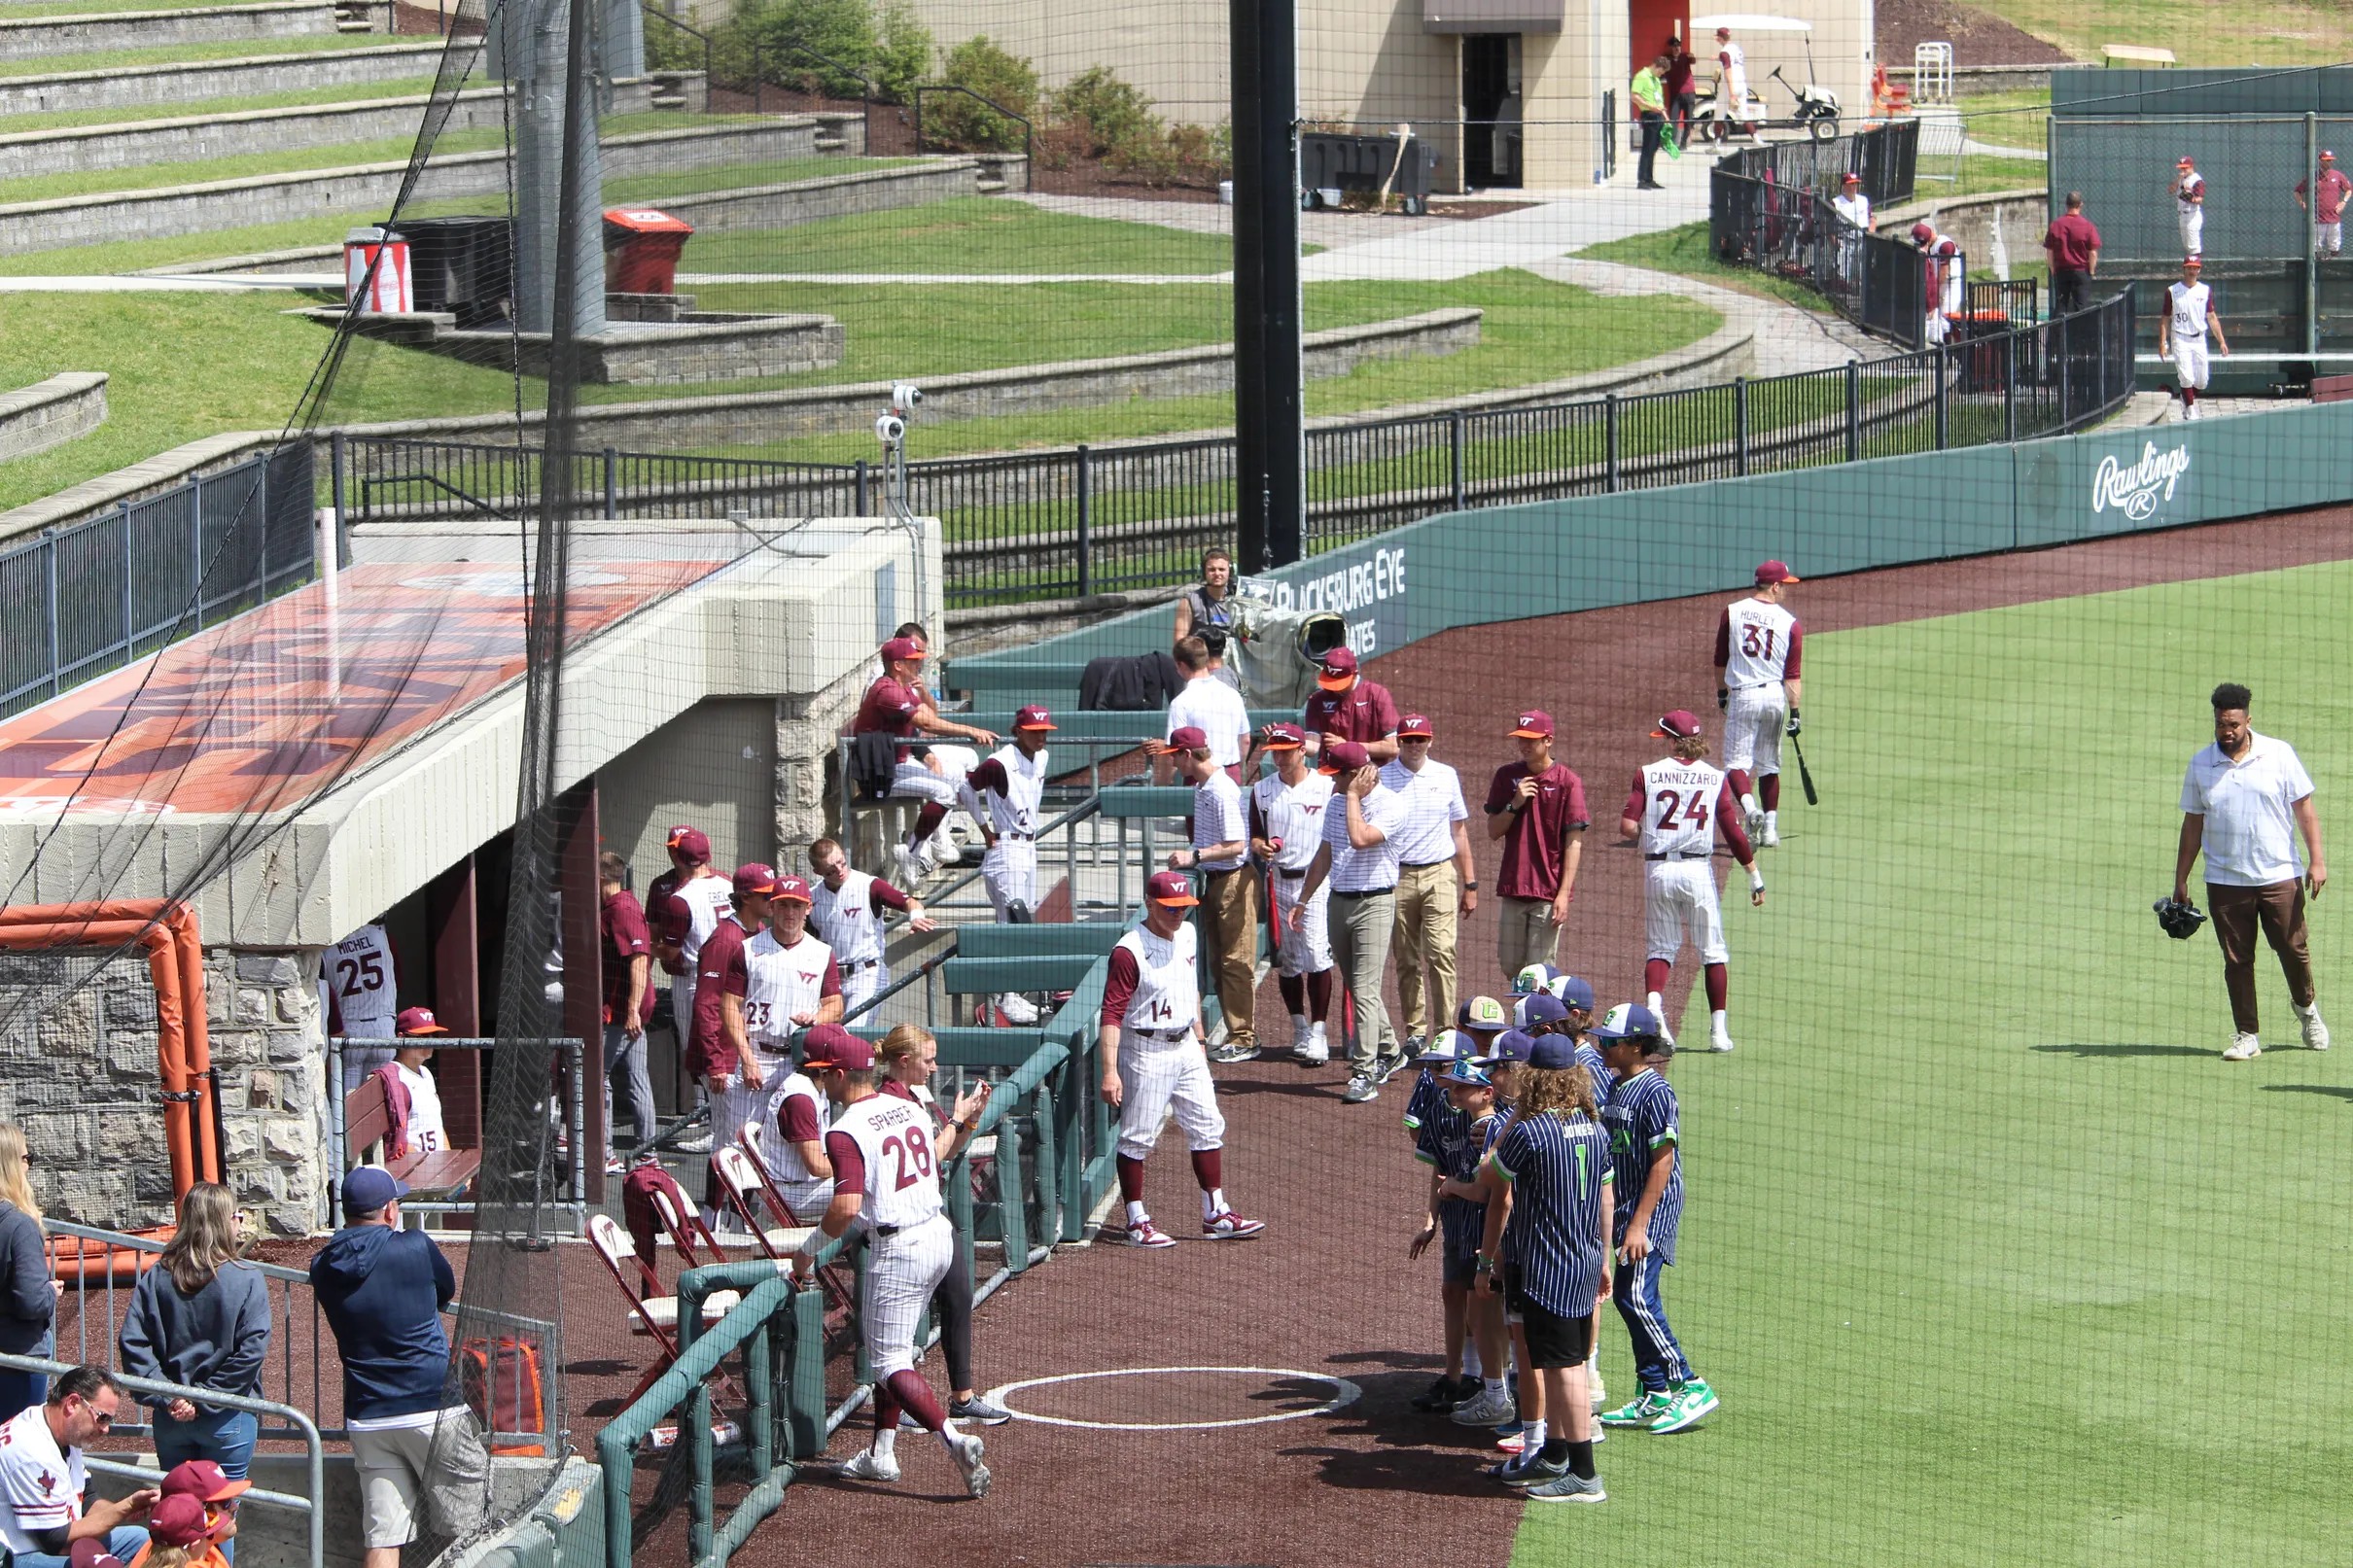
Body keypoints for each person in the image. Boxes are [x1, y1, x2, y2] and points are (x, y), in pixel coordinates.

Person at [791, 1028, 992, 1496]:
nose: (819, 1083)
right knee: (895, 1350)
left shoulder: (846, 1129)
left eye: (822, 1075)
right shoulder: (908, 1104)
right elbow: (937, 1157)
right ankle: (882, 1453)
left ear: (840, 1074)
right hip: (938, 1237)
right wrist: (961, 1123)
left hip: (900, 1249)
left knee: (887, 1362)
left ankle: (954, 1438)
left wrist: (804, 1256)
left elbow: (845, 1208)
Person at [308, 1168, 488, 1568]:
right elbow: (446, 1289)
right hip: (433, 1406)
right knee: (469, 1531)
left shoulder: (322, 1265)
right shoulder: (414, 1245)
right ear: (390, 1210)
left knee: (383, 1536)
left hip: (369, 1415)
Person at [1470, 1033, 1613, 1502]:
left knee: (1563, 1370)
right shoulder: (1595, 1128)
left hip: (1546, 1269)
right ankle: (1554, 1453)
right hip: (1584, 1261)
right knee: (1564, 1364)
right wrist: (1605, 1259)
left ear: (1532, 1078)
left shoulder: (1531, 1132)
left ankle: (1585, 1476)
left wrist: (1512, 1118)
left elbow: (1487, 1177)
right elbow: (1606, 1202)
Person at [1098, 871, 1266, 1247]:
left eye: (1183, 907)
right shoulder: (1129, 951)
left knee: (1208, 1125)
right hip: (1145, 1048)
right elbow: (1110, 1014)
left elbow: (1191, 986)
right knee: (1137, 1138)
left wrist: (1201, 1039)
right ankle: (1136, 1221)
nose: (1177, 915)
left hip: (1187, 1044)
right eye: (1170, 908)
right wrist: (1110, 1072)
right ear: (1150, 904)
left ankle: (1216, 1213)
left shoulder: (1187, 934)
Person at [2175, 681, 2329, 1062]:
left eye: (2233, 725)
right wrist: (2181, 879)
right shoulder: (2201, 764)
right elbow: (2192, 825)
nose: (2227, 732)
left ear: (2248, 720)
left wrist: (2317, 860)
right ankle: (2248, 1035)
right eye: (2220, 725)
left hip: (2279, 875)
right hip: (2226, 881)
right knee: (2237, 961)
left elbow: (2304, 808)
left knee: (2293, 950)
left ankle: (2306, 1009)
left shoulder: (2278, 754)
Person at [873, 1026, 1011, 1426]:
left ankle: (962, 1398)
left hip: (930, 1222)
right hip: (899, 1228)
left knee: (958, 1296)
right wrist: (958, 1118)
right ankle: (898, 1412)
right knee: (897, 1333)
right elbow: (930, 1157)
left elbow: (945, 1151)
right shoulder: (887, 1102)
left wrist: (969, 1122)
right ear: (904, 1062)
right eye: (928, 1060)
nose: (935, 1067)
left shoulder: (918, 1096)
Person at [1591, 1005, 1717, 1437]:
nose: (1602, 1045)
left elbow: (1663, 1162)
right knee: (1626, 1298)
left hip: (1652, 1208)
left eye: (1611, 1041)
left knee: (1639, 1299)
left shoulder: (1655, 1091)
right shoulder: (1613, 1084)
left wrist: (1640, 1224)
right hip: (1625, 1207)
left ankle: (1689, 1383)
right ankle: (1656, 1390)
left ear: (1636, 1045)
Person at [118, 1183, 267, 1541]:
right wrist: (203, 1399)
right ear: (223, 1222)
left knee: (179, 1518)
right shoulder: (246, 1278)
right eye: (237, 1215)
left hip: (171, 1419)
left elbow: (133, 1344)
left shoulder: (157, 1276)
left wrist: (171, 1396)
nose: (241, 1222)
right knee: (218, 1519)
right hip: (227, 1417)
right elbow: (251, 1352)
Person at [1622, 712, 1763, 1054]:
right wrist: (1754, 875)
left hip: (1658, 872)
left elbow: (1627, 826)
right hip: (1698, 871)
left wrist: (1648, 839)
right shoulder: (1715, 778)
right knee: (1712, 952)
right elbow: (1732, 831)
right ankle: (1718, 1034)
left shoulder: (1648, 773)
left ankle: (1655, 1006)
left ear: (1672, 741)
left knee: (1661, 948)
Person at [720, 872, 842, 1229]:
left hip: (801, 1062)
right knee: (742, 1149)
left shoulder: (821, 953)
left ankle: (796, 1225)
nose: (790, 912)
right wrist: (745, 1058)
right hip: (758, 1055)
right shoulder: (748, 948)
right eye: (783, 905)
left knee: (804, 1143)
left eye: (797, 906)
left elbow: (835, 1002)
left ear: (808, 909)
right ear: (771, 907)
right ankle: (737, 1227)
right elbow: (730, 1005)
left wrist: (817, 1017)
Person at [1296, 741, 1410, 1103]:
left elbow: (1360, 839)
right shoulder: (1336, 801)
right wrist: (1303, 899)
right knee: (1359, 986)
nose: (1332, 784)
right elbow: (1326, 854)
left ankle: (1364, 1071)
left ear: (1357, 775)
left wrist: (1353, 798)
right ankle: (1391, 1049)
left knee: (1363, 988)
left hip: (1375, 903)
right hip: (1338, 901)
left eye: (1337, 777)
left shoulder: (1391, 804)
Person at [1408, 1046, 1509, 1423]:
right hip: (1458, 1224)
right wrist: (1431, 1219)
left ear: (1486, 1091)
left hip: (1486, 1228)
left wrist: (1452, 1188)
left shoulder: (1493, 1128)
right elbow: (1437, 1173)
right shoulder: (1443, 1115)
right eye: (1452, 1086)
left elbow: (1483, 1191)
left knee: (1485, 1309)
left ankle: (1491, 1385)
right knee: (1456, 1294)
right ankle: (1460, 1380)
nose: (1452, 1092)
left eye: (1461, 1087)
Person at [854, 636, 1000, 886]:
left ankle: (915, 850)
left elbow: (929, 714)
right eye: (912, 661)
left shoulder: (903, 687)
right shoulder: (887, 690)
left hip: (898, 764)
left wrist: (920, 691)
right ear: (897, 665)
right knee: (942, 791)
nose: (918, 665)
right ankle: (914, 851)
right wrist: (969, 731)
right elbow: (927, 723)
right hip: (879, 774)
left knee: (952, 778)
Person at [1164, 725, 1260, 1065]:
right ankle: (1238, 1034)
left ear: (1187, 754)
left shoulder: (1220, 789)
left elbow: (1237, 844)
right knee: (1221, 962)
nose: (1173, 764)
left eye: (1175, 756)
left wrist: (1196, 857)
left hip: (1234, 879)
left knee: (1236, 961)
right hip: (1217, 881)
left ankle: (1244, 1037)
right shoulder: (1203, 787)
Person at [1382, 714, 1477, 1054]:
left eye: (1420, 739)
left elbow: (1459, 831)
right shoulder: (1382, 778)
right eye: (1408, 739)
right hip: (1398, 876)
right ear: (1399, 742)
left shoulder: (1446, 775)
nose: (1414, 745)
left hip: (1440, 873)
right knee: (1406, 958)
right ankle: (1415, 1031)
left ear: (1430, 741)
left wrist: (1471, 882)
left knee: (1440, 952)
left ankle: (1445, 1030)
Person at [685, 864, 773, 1224]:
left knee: (750, 1142)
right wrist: (716, 1062)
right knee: (728, 1143)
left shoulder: (761, 931)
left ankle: (739, 1218)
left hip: (747, 1054)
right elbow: (706, 1004)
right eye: (767, 895)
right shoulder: (725, 940)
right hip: (726, 1058)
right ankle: (713, 1218)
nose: (773, 900)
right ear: (747, 897)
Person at [0, 1368, 155, 1568]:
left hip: (51, 1541)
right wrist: (126, 1507)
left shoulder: (60, 1427)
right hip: (18, 1556)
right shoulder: (30, 1450)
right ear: (73, 1403)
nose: (106, 1429)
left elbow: (87, 1499)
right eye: (102, 1417)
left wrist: (123, 1510)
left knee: (140, 1540)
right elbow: (56, 1542)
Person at [1250, 721, 1337, 1063]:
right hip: (1279, 883)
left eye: (1287, 751)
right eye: (1276, 752)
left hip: (1315, 883)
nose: (1281, 758)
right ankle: (1299, 1025)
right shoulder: (1262, 790)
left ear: (1303, 750)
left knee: (1316, 954)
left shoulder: (1326, 787)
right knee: (1286, 961)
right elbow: (1255, 835)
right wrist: (1261, 847)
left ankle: (1319, 1032)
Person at [958, 705, 1050, 1024]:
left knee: (1023, 924)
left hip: (1029, 845)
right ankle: (1005, 996)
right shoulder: (999, 762)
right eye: (1035, 731)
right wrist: (984, 829)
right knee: (1011, 919)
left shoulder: (1043, 758)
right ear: (1019, 730)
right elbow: (965, 789)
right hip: (1006, 844)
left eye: (1044, 732)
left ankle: (1012, 993)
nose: (1041, 737)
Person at [1485, 709, 1589, 985]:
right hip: (1513, 888)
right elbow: (1493, 831)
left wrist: (1564, 894)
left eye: (1532, 739)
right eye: (1521, 738)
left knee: (1539, 973)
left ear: (1549, 740)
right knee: (1510, 967)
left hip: (1547, 891)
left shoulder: (1568, 782)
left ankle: (1535, 1025)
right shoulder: (1506, 777)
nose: (1525, 745)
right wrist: (1514, 804)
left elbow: (1574, 841)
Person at [648, 824, 733, 1128]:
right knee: (726, 1044)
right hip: (733, 977)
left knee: (698, 1047)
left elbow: (671, 954)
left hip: (695, 977)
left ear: (680, 857)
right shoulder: (727, 883)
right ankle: (710, 1113)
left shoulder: (682, 897)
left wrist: (647, 947)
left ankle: (710, 1116)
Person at [1714, 559, 1805, 846]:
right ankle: (1770, 831)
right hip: (1775, 698)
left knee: (1736, 763)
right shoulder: (1790, 623)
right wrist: (1795, 713)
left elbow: (1720, 659)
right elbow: (1792, 676)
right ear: (1775, 586)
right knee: (1769, 764)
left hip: (1744, 695)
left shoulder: (1733, 612)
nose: (1786, 591)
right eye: (1785, 585)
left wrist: (1722, 694)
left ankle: (1751, 810)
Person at [806, 837, 932, 1023]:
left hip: (866, 972)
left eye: (842, 863)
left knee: (854, 1032)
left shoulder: (868, 885)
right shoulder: (812, 897)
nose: (840, 871)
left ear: (843, 854)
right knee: (827, 1039)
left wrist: (916, 917)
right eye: (831, 871)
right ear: (818, 872)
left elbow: (910, 902)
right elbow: (808, 939)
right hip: (831, 979)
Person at [598, 852, 654, 1172]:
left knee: (597, 1076)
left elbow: (639, 960)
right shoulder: (613, 906)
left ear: (604, 877)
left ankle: (607, 1154)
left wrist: (631, 1010)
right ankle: (647, 1154)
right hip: (625, 1011)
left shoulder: (622, 909)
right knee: (636, 1080)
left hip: (622, 1014)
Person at [0, 1125, 55, 1417]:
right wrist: (50, 1291)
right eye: (26, 1157)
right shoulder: (19, 1225)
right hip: (18, 1362)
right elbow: (32, 1301)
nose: (28, 1165)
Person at [1163, 638, 1251, 783]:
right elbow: (1245, 740)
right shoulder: (1232, 695)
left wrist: (1164, 785)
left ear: (1181, 665)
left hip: (1197, 779)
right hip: (1231, 774)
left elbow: (1174, 751)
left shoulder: (1180, 703)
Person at [324, 922, 398, 1095]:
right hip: (383, 1025)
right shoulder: (380, 935)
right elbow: (399, 979)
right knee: (379, 1099)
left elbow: (325, 992)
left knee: (348, 1104)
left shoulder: (328, 947)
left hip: (348, 1027)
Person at [2159, 254, 2230, 422]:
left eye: (2195, 268)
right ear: (2184, 269)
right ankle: (2190, 409)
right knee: (2186, 377)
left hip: (2199, 338)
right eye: (2189, 267)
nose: (2192, 271)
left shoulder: (2205, 291)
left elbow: (2211, 316)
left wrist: (2221, 341)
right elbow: (2165, 318)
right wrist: (2163, 342)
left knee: (2202, 381)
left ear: (2199, 270)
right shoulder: (2173, 291)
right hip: (2180, 337)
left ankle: (2185, 397)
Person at [375, 1007, 451, 1165]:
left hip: (437, 1166)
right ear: (402, 1038)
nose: (429, 1041)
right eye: (422, 1036)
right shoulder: (396, 1078)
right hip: (415, 1169)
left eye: (432, 1035)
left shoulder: (426, 1073)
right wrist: (423, 1169)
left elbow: (438, 1126)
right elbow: (399, 1137)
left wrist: (449, 1163)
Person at [1302, 646, 1400, 763]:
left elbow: (1393, 747)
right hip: (1332, 774)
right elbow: (1312, 747)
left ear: (1354, 674)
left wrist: (1348, 746)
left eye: (1339, 682)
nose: (1334, 688)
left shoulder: (1377, 695)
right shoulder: (1317, 700)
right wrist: (1287, 739)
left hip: (1370, 771)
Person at [1171, 547, 1242, 681]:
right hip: (1202, 669)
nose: (1217, 574)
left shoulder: (1239, 599)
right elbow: (1180, 640)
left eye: (1222, 569)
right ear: (1203, 572)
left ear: (1231, 571)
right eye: (1211, 569)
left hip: (1234, 666)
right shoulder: (1190, 601)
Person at [2043, 191, 2102, 315]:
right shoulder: (2087, 226)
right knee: (2081, 307)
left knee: (2061, 304)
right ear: (2080, 205)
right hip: (2081, 271)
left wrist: (2052, 268)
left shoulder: (2056, 225)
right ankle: (2079, 333)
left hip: (2062, 270)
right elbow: (2093, 253)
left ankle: (2058, 333)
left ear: (2066, 205)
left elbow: (2049, 251)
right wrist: (2091, 270)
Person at [1910, 221, 1963, 344]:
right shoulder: (1930, 246)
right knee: (1937, 320)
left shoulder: (1945, 245)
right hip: (1939, 283)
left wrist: (1935, 293)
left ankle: (1950, 351)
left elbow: (1944, 272)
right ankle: (1940, 346)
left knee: (1945, 319)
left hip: (1951, 285)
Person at [2295, 150, 2350, 258]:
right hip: (2317, 220)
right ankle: (2315, 272)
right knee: (2315, 249)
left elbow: (2349, 190)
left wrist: (2344, 202)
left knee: (2335, 248)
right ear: (2320, 161)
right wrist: (2302, 203)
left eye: (2330, 160)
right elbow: (2297, 191)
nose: (2329, 162)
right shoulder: (2313, 177)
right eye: (2326, 160)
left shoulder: (2338, 175)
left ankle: (2333, 270)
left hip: (2334, 219)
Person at [1632, 53, 1668, 191]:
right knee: (1647, 148)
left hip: (1658, 115)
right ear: (1656, 66)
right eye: (1660, 71)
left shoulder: (1655, 79)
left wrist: (1666, 117)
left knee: (1653, 148)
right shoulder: (1642, 76)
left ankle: (1649, 178)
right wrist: (1651, 107)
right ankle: (1642, 179)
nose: (1660, 74)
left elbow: (1659, 100)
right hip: (1649, 114)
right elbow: (1634, 96)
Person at [1832, 172, 1873, 292]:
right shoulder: (1836, 202)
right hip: (1844, 238)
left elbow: (1872, 218)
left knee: (1860, 268)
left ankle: (1857, 289)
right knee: (1844, 269)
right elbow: (1827, 223)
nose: (1854, 187)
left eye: (1855, 184)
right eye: (1850, 184)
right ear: (1844, 186)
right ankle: (1843, 289)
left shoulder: (1863, 200)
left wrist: (1871, 232)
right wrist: (1834, 240)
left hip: (1862, 237)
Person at [1714, 25, 1753, 137]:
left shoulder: (1724, 52)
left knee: (1719, 114)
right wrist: (1717, 58)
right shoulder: (1736, 48)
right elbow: (1731, 60)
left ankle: (1716, 143)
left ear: (1720, 38)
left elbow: (1728, 72)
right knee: (1744, 115)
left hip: (1730, 86)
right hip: (1741, 83)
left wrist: (1732, 95)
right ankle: (1756, 139)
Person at [1663, 36, 1698, 145]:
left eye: (1678, 46)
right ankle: (1672, 142)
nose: (1676, 48)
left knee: (1688, 119)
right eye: (1674, 46)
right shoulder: (1668, 60)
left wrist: (1690, 55)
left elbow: (1693, 60)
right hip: (1675, 94)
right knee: (1673, 119)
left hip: (1689, 92)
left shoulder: (1685, 57)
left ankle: (1683, 143)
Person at [2171, 155, 2205, 258]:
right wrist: (2178, 178)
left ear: (2191, 167)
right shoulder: (2181, 179)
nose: (2183, 170)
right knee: (2187, 245)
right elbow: (2171, 190)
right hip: (2182, 215)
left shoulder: (2197, 180)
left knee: (2193, 246)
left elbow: (2200, 200)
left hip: (2192, 215)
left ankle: (2196, 269)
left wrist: (2190, 198)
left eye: (2185, 167)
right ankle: (2192, 269)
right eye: (2181, 168)